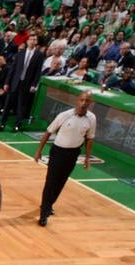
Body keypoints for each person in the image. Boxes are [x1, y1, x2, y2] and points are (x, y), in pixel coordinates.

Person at [33, 90, 97, 227]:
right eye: (82, 100)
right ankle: (44, 213)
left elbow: (90, 138)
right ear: (77, 100)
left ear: (90, 103)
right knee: (51, 181)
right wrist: (38, 151)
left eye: (87, 101)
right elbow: (48, 132)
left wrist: (87, 158)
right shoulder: (64, 115)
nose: (83, 103)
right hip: (58, 152)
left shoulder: (92, 118)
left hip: (73, 153)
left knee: (61, 182)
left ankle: (49, 204)